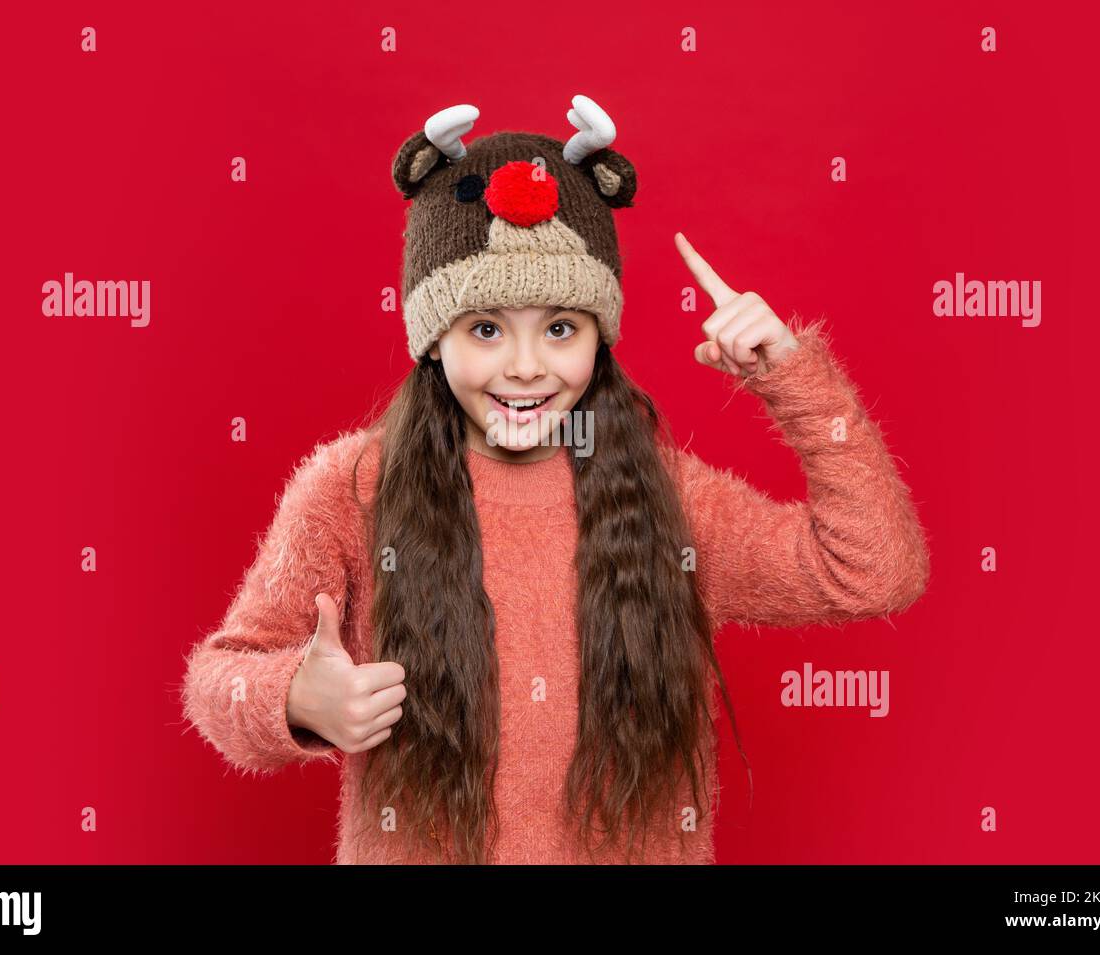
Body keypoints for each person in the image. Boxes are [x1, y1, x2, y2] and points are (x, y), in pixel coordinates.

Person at [179, 97, 931, 865]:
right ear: (433, 339)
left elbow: (873, 572)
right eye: (486, 328)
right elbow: (218, 678)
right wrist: (293, 699)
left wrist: (790, 377)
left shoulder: (665, 494)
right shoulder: (353, 487)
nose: (527, 366)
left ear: (599, 340)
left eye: (561, 328)